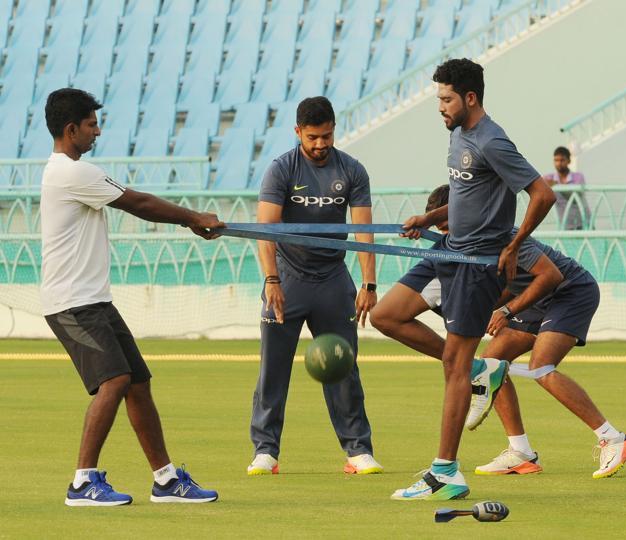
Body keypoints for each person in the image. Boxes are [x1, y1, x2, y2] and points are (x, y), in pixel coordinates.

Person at [372, 188, 626, 480]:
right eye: (442, 229)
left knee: (541, 367)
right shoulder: (459, 242)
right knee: (492, 363)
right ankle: (520, 452)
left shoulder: (498, 233)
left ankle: (613, 438)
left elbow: (549, 277)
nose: (449, 235)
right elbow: (506, 283)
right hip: (531, 296)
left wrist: (506, 312)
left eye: (450, 225)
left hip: (569, 292)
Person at [41, 88, 221, 506]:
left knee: (137, 384)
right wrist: (194, 218)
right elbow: (137, 202)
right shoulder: (73, 173)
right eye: (91, 124)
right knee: (115, 379)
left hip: (94, 301)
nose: (97, 131)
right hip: (70, 304)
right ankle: (83, 483)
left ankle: (166, 480)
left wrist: (191, 220)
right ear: (71, 130)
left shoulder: (69, 171)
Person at [388, 58, 556, 500]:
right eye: (438, 99)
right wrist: (430, 216)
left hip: (477, 265)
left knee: (453, 367)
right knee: (388, 315)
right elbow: (467, 197)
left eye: (446, 99)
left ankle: (445, 473)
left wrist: (516, 243)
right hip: (448, 250)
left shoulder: (493, 140)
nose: (440, 107)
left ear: (470, 98)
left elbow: (543, 193)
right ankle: (483, 369)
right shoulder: (459, 135)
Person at [246, 96, 382, 477]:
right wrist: (271, 280)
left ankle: (358, 451)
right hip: (287, 279)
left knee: (342, 366)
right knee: (273, 370)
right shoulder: (281, 170)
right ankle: (266, 451)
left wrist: (369, 283)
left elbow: (364, 231)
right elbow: (266, 230)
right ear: (298, 133)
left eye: (326, 136)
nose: (320, 144)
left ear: (334, 130)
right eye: (312, 137)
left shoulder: (352, 171)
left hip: (333, 280)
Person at [543, 146, 590, 230]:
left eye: (562, 160)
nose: (559, 163)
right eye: (556, 160)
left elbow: (576, 195)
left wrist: (557, 185)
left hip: (584, 222)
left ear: (569, 161)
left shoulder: (578, 177)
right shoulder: (549, 178)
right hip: (565, 226)